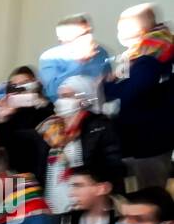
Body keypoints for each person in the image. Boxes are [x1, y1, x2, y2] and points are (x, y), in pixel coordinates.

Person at [103, 3, 174, 192]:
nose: (119, 34)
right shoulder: (131, 54)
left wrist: (112, 85)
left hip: (151, 142)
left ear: (141, 30)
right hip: (129, 139)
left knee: (150, 197)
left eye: (123, 29)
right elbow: (111, 88)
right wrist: (111, 84)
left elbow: (129, 92)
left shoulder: (158, 53)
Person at [35, 75, 126, 214]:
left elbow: (113, 167)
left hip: (85, 204)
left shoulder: (100, 127)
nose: (61, 101)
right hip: (52, 200)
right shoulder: (50, 127)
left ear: (85, 99)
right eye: (60, 96)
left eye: (67, 96)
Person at [0, 66, 54, 181]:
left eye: (24, 82)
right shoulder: (9, 110)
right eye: (14, 84)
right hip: (14, 171)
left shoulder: (46, 107)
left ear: (35, 83)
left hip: (40, 171)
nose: (19, 87)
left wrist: (40, 104)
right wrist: (1, 120)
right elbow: (2, 144)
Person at [39, 13, 111, 101]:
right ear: (63, 41)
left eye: (89, 32)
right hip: (64, 110)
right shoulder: (49, 57)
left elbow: (108, 84)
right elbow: (52, 92)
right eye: (82, 34)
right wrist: (79, 62)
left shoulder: (101, 52)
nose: (89, 37)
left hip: (98, 109)